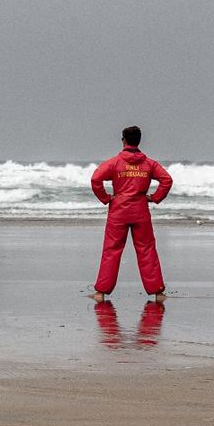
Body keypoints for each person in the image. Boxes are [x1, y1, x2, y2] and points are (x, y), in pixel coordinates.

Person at [89, 125, 173, 300]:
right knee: (147, 249)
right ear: (139, 140)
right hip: (140, 210)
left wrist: (106, 198)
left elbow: (96, 179)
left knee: (111, 250)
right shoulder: (149, 163)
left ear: (123, 141)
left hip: (118, 210)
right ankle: (158, 292)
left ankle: (101, 292)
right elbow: (167, 180)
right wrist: (155, 197)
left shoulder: (114, 163)